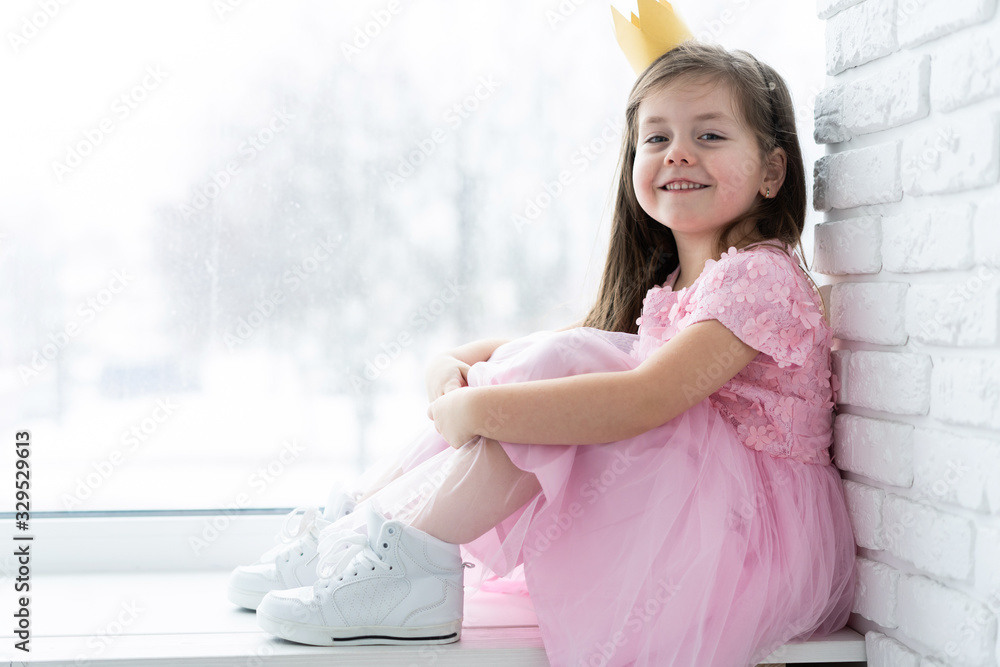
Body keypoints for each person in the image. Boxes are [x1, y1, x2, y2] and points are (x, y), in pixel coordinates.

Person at [229, 34, 857, 667]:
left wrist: (480, 411)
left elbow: (644, 398)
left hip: (746, 532)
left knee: (569, 371)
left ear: (773, 170)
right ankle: (360, 530)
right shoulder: (676, 287)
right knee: (558, 363)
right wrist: (457, 367)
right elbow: (555, 351)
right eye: (657, 138)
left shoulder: (761, 275)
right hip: (708, 505)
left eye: (711, 136)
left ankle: (409, 563)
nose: (679, 155)